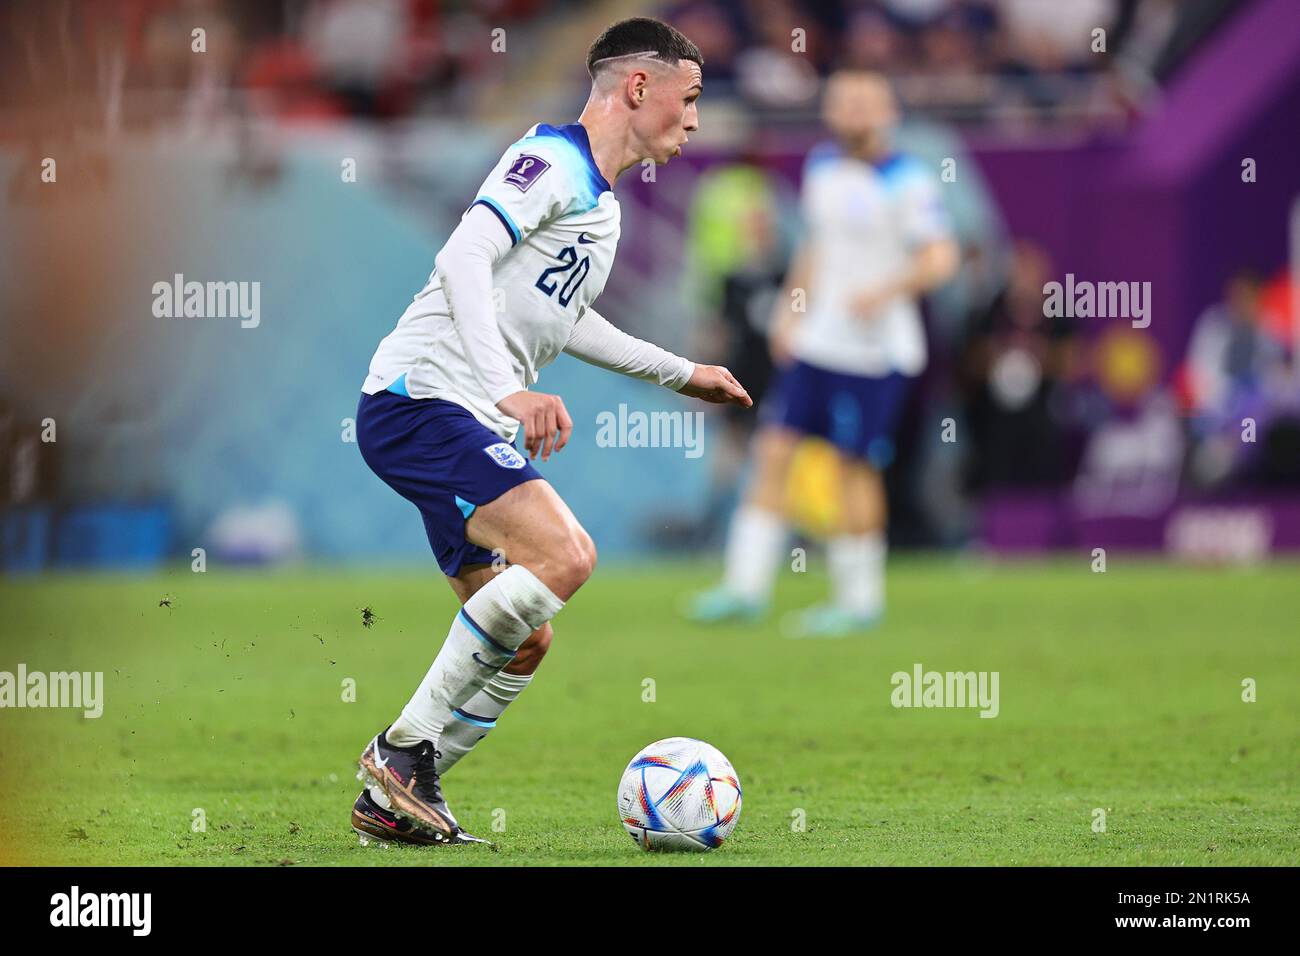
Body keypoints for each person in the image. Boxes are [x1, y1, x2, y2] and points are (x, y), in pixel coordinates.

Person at [349, 17, 751, 845]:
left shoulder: (600, 206)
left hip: (451, 408)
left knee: (525, 639)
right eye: (692, 97)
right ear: (640, 88)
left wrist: (682, 373)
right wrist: (507, 391)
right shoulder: (551, 162)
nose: (697, 120)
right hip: (423, 398)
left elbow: (564, 320)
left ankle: (398, 799)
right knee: (566, 557)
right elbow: (461, 256)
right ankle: (401, 749)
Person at [688, 70, 957, 637]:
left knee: (853, 469)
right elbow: (816, 244)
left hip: (875, 353)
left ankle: (859, 600)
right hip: (818, 344)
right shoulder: (823, 166)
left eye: (866, 103)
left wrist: (884, 291)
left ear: (888, 112)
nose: (854, 113)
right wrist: (793, 308)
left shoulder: (907, 182)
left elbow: (940, 258)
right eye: (844, 102)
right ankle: (745, 587)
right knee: (774, 450)